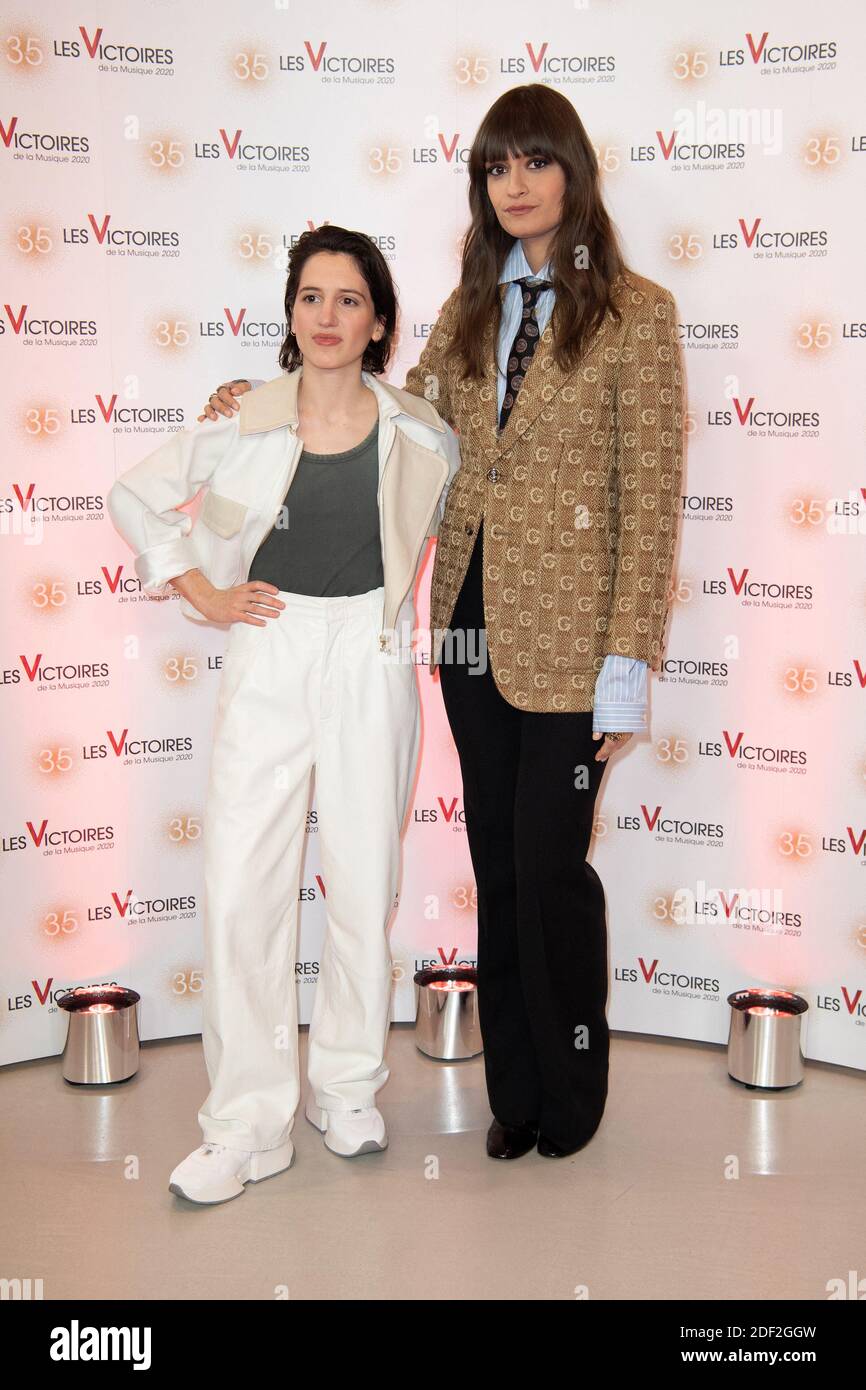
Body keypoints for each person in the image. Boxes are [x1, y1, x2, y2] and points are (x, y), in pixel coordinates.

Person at [202, 83, 685, 1162]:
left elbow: (648, 493)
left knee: (552, 866)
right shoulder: (469, 308)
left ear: (571, 172)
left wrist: (627, 664)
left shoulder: (636, 313)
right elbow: (388, 409)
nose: (513, 186)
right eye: (494, 168)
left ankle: (570, 1092)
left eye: (531, 162)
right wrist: (263, 401)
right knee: (497, 861)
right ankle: (514, 1098)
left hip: (570, 641)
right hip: (466, 626)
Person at [107, 225, 460, 1204]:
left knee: (361, 883)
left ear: (379, 319)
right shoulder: (245, 417)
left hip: (370, 653)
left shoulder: (421, 429)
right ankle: (245, 1121)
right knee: (241, 887)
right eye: (311, 297)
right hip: (269, 645)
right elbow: (136, 496)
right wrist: (201, 590)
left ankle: (345, 1088)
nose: (328, 316)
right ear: (290, 313)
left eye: (349, 299)